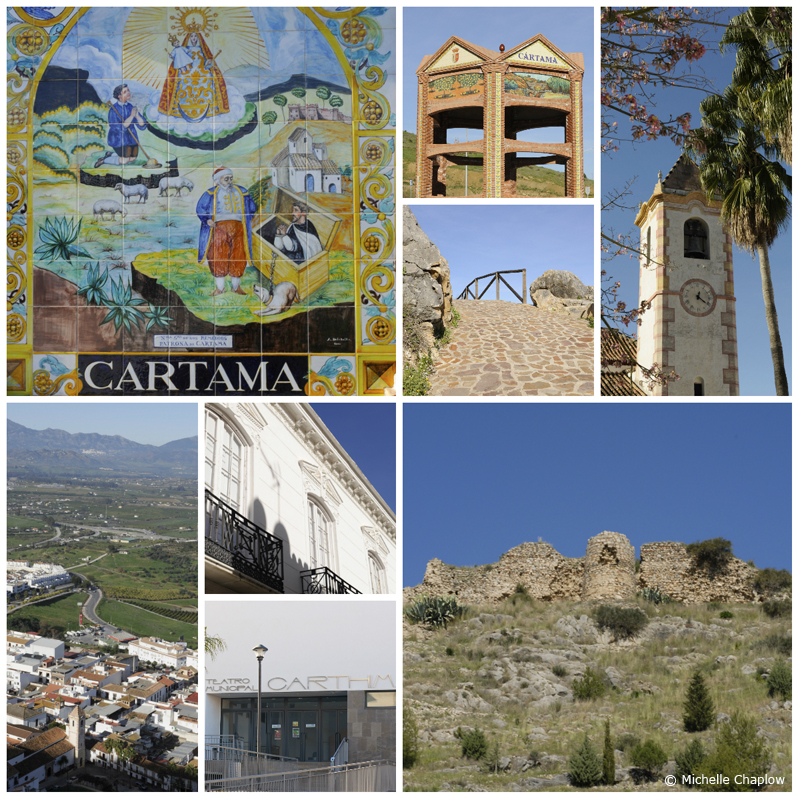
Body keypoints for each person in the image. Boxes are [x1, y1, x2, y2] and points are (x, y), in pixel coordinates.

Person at [196, 167, 257, 296]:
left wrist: (246, 220)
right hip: (218, 229)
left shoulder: (242, 191)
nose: (229, 181)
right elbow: (200, 208)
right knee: (218, 256)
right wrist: (207, 220)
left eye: (231, 178)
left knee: (238, 256)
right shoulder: (210, 193)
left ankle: (236, 287)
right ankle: (220, 288)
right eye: (226, 179)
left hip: (239, 228)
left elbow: (252, 208)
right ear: (218, 181)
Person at [158, 30, 230, 120]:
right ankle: (179, 107)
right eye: (192, 36)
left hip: (202, 70)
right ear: (188, 38)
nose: (193, 38)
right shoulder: (184, 48)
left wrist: (209, 62)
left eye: (195, 36)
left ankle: (210, 106)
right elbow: (179, 60)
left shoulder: (202, 49)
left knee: (207, 78)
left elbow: (207, 60)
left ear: (199, 38)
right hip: (187, 71)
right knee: (182, 78)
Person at [95, 84, 146, 167]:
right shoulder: (113, 110)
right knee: (125, 160)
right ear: (119, 96)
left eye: (128, 90)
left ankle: (111, 154)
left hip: (131, 138)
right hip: (119, 140)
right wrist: (131, 116)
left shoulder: (130, 107)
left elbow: (142, 125)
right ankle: (103, 160)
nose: (128, 92)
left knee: (132, 158)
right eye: (125, 92)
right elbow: (118, 128)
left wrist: (137, 116)